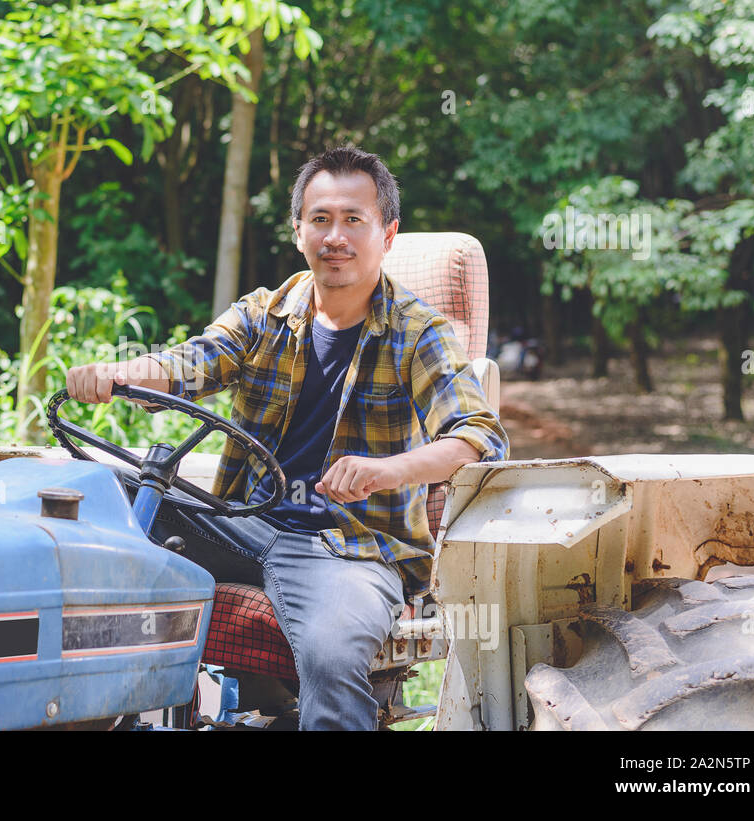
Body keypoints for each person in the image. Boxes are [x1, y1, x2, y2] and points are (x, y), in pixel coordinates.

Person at [64, 145, 509, 729]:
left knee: (330, 656)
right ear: (299, 230)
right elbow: (184, 365)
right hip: (238, 521)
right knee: (94, 500)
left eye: (355, 220)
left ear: (388, 234)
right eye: (321, 219)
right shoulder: (262, 314)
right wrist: (120, 374)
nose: (336, 236)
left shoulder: (418, 332)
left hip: (346, 546)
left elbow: (479, 437)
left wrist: (388, 470)